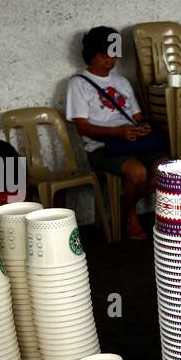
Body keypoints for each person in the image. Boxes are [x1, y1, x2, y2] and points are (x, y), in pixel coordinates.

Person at [66, 26, 167, 240]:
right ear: (91, 55)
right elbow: (82, 128)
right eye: (104, 56)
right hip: (102, 147)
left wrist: (144, 126)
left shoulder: (122, 82)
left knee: (168, 170)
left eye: (113, 56)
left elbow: (137, 116)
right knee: (138, 172)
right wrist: (117, 132)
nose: (110, 62)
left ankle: (126, 203)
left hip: (134, 141)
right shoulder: (78, 84)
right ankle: (130, 215)